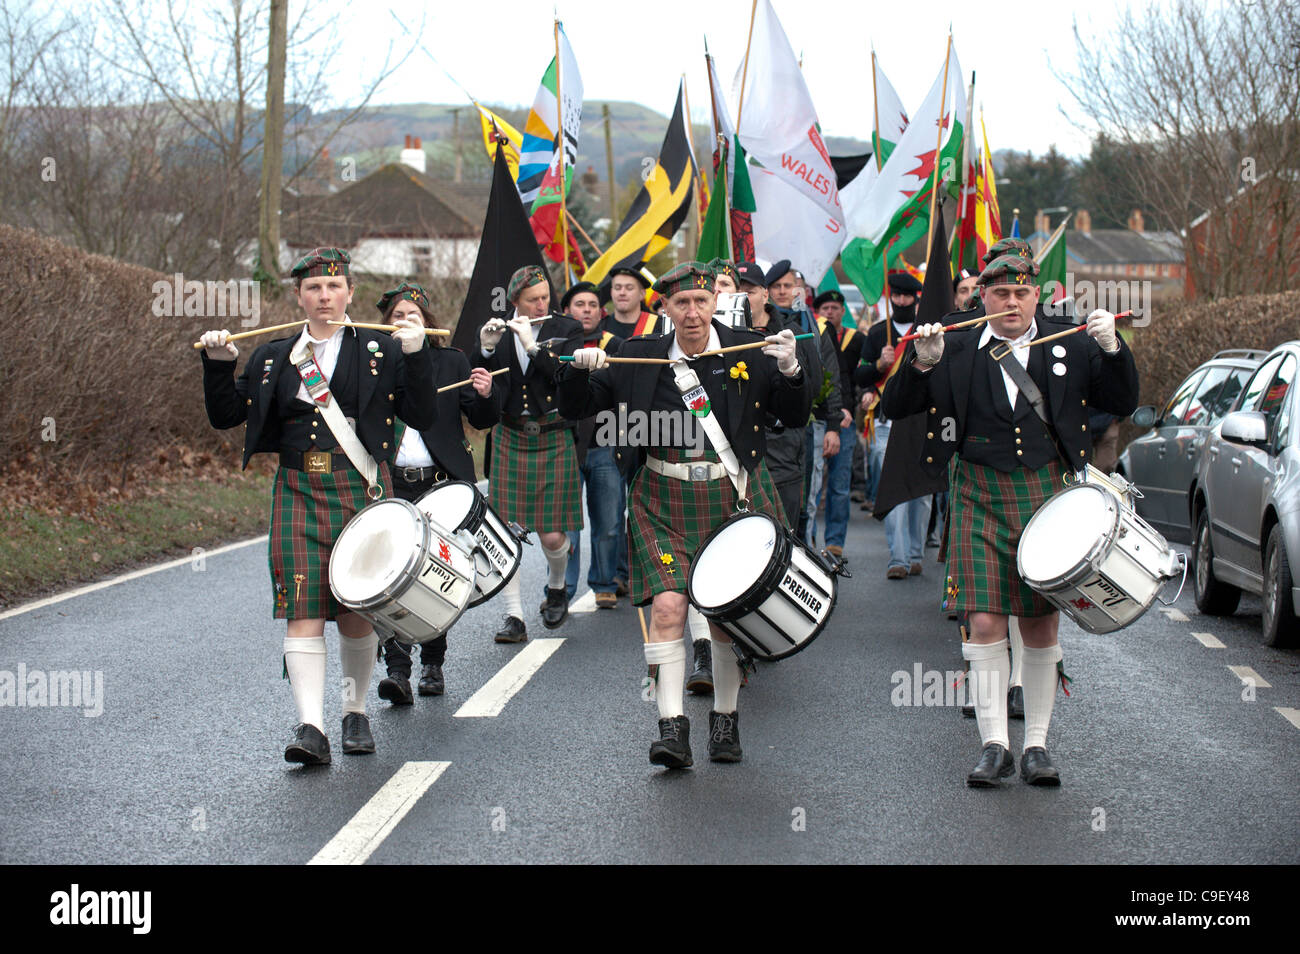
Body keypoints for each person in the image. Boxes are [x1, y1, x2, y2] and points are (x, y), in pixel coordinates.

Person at [882, 253, 1138, 786]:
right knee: (984, 622)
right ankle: (995, 744)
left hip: (1046, 493)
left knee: (1041, 623)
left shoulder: (1068, 342)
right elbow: (895, 407)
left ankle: (1037, 746)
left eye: (1022, 294)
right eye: (1001, 295)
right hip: (976, 490)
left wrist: (1113, 348)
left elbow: (1123, 399)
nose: (1012, 303)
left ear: (1036, 295)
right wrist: (922, 363)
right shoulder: (953, 345)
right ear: (985, 299)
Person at [557, 261, 811, 768]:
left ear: (714, 302)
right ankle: (672, 726)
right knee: (669, 608)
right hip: (661, 497)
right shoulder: (636, 356)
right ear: (666, 309)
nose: (692, 313)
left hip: (733, 496)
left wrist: (791, 370)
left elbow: (795, 412)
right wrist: (573, 371)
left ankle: (724, 716)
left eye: (700, 301)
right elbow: (578, 407)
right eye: (681, 304)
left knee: (722, 620)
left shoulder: (747, 349)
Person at [199, 247, 437, 765]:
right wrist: (218, 365)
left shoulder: (382, 347)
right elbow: (224, 416)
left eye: (333, 287)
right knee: (301, 608)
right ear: (299, 296)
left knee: (355, 607)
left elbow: (422, 412)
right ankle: (311, 727)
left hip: (361, 488)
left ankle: (355, 713)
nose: (324, 297)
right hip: (297, 491)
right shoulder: (271, 356)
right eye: (313, 289)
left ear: (349, 292)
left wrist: (417, 358)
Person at [370, 282, 499, 704]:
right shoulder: (372, 361)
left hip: (440, 482)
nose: (404, 321)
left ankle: (432, 664)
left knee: (436, 576)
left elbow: (480, 419)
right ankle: (397, 669)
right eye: (397, 315)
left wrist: (484, 394)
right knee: (390, 574)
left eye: (413, 315)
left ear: (427, 323)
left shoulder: (451, 360)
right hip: (389, 480)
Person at [473, 265, 584, 641]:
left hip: (552, 435)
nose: (542, 304)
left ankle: (557, 587)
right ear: (515, 301)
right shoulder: (500, 331)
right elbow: (481, 383)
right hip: (510, 436)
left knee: (553, 536)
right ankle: (513, 616)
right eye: (533, 299)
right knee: (504, 531)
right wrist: (486, 347)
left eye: (545, 298)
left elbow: (562, 376)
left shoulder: (565, 329)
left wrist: (533, 347)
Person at [855, 271, 931, 578]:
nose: (901, 301)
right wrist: (879, 366)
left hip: (920, 422)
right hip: (886, 421)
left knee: (922, 493)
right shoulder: (876, 333)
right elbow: (859, 376)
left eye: (906, 296)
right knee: (894, 488)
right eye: (896, 296)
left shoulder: (924, 332)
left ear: (915, 299)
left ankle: (916, 552)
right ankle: (897, 558)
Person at [560, 280, 625, 609]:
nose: (586, 310)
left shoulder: (618, 346)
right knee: (565, 528)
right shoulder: (552, 346)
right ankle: (562, 589)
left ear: (601, 312)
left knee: (609, 524)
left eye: (591, 305)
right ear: (566, 311)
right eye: (578, 304)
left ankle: (604, 582)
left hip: (605, 447)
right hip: (564, 447)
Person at [764, 259, 839, 531]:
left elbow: (831, 376)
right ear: (767, 292)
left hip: (810, 422)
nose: (783, 291)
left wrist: (833, 425)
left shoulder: (816, 326)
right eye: (777, 286)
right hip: (778, 427)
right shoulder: (762, 325)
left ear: (801, 290)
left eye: (789, 286)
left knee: (806, 496)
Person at [806, 289, 861, 558]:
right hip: (817, 417)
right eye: (824, 308)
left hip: (842, 416)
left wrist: (845, 410)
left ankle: (835, 540)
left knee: (839, 484)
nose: (829, 312)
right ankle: (810, 536)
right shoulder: (812, 330)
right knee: (813, 483)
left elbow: (844, 379)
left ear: (842, 311)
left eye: (834, 308)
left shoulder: (855, 339)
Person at [601, 266, 659, 340]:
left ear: (642, 294)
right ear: (611, 292)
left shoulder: (659, 326)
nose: (622, 293)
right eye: (617, 288)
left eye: (629, 288)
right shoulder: (599, 329)